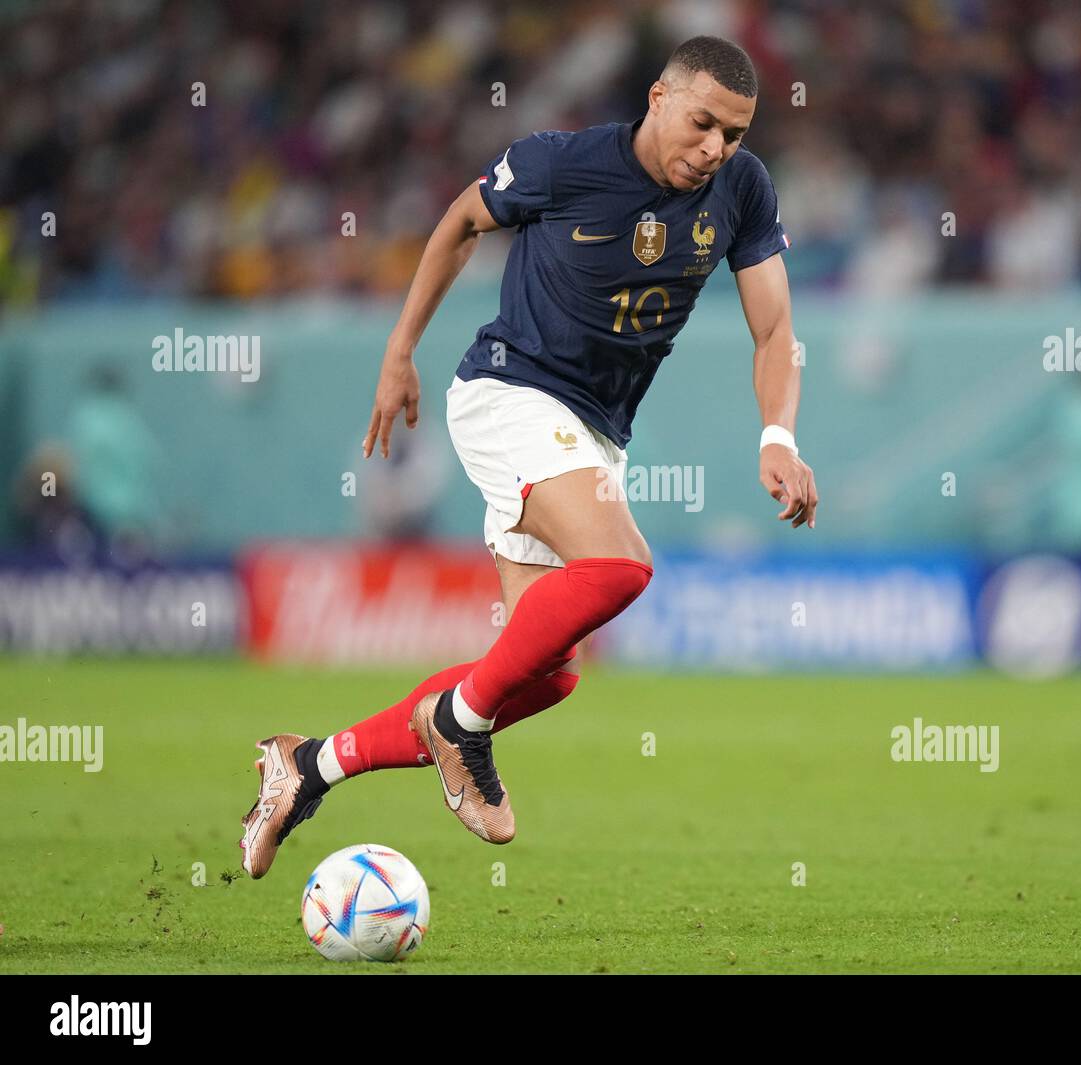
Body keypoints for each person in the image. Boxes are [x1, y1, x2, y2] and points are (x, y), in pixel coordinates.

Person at [240, 35, 819, 878]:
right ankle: (457, 724)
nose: (715, 149)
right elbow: (459, 223)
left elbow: (775, 329)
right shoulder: (560, 164)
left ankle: (309, 766)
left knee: (547, 676)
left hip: (595, 431)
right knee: (622, 567)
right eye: (702, 125)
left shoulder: (743, 187)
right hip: (509, 394)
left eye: (732, 134)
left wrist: (778, 435)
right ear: (659, 98)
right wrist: (400, 349)